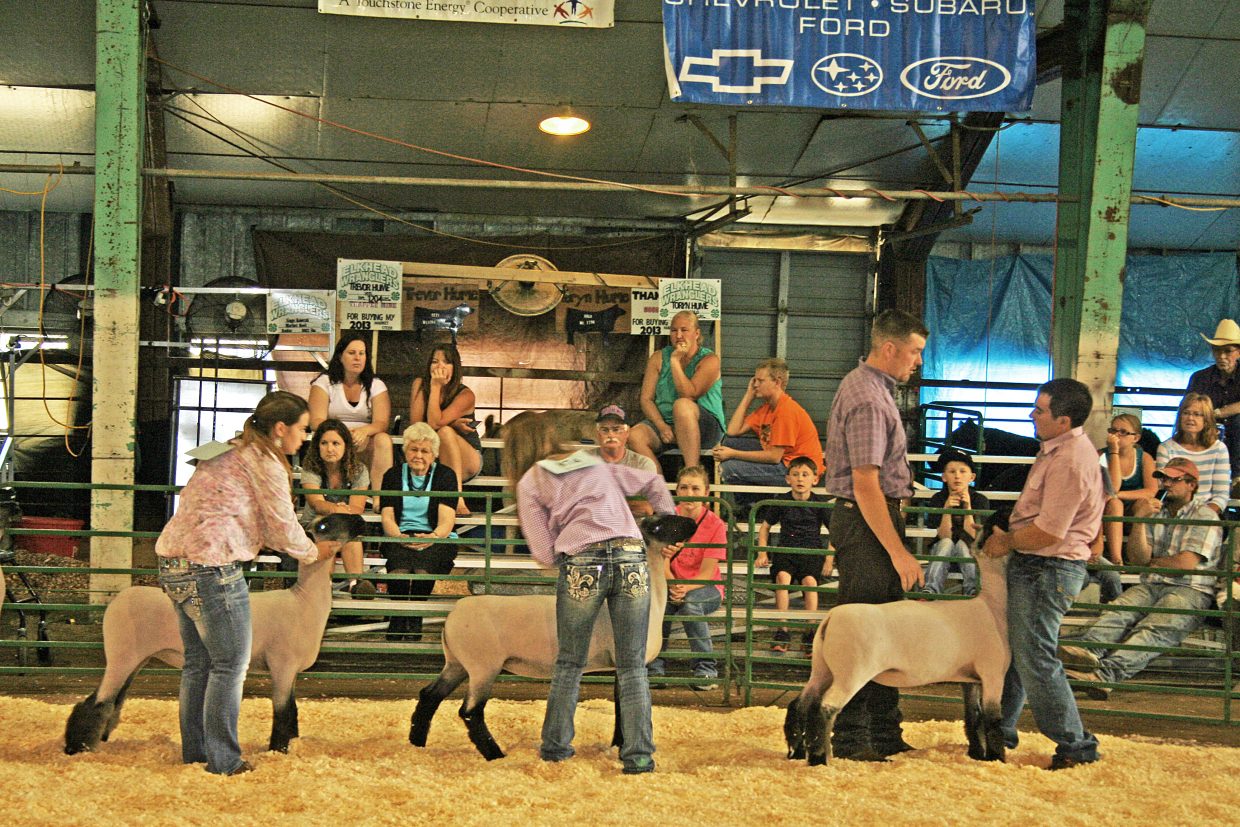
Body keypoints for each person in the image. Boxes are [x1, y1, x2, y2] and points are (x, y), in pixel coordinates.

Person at [156, 390, 342, 776]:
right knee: (229, 665)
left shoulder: (222, 446)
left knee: (198, 663)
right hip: (213, 566)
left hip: (172, 560)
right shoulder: (268, 463)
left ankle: (196, 752)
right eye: (303, 429)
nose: (305, 438)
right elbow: (283, 527)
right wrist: (312, 552)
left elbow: (196, 483)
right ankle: (224, 761)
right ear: (280, 429)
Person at [508, 412, 675, 775]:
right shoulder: (587, 459)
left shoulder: (529, 480)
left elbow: (542, 552)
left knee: (570, 663)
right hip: (632, 557)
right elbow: (653, 483)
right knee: (633, 666)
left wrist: (563, 548)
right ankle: (639, 757)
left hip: (583, 561)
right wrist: (668, 525)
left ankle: (555, 749)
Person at [982, 377, 1105, 771]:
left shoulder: (1070, 460)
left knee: (1035, 657)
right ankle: (998, 732)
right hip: (1042, 565)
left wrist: (1006, 541)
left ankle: (1075, 743)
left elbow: (1050, 531)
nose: (1032, 416)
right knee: (1024, 653)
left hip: (1047, 565)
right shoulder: (1060, 450)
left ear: (1063, 420)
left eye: (1040, 410)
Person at [821, 309, 926, 761]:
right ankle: (851, 738)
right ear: (889, 348)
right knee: (866, 634)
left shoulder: (869, 389)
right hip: (868, 522)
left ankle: (883, 732)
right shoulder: (867, 397)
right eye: (915, 351)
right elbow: (866, 483)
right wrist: (900, 552)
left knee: (886, 633)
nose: (917, 361)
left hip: (871, 520)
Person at [1059, 457, 1223, 700]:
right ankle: (1085, 654)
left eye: (1173, 479)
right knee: (1120, 611)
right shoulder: (1155, 511)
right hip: (1155, 582)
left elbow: (1184, 564)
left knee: (1154, 629)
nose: (1166, 484)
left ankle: (1103, 674)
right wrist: (1140, 520)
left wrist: (1153, 562)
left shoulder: (1205, 516)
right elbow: (1137, 558)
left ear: (1191, 484)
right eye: (1163, 478)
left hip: (1192, 590)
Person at [647, 465, 727, 689]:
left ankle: (705, 668)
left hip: (706, 586)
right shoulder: (666, 519)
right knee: (659, 604)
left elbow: (708, 572)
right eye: (684, 487)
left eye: (695, 488)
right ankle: (654, 666)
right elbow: (658, 560)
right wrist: (673, 583)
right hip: (670, 581)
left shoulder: (715, 525)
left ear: (706, 492)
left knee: (692, 605)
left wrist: (685, 588)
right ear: (677, 490)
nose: (690, 494)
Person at [711, 358, 824, 515]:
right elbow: (732, 431)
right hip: (782, 460)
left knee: (728, 468)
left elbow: (774, 457)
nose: (755, 384)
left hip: (795, 469)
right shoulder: (767, 409)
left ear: (777, 382)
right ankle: (758, 505)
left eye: (760, 381)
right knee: (730, 442)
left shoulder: (786, 411)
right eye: (754, 380)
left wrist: (733, 454)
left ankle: (755, 510)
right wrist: (748, 395)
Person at [379, 422, 458, 640]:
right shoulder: (393, 475)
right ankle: (397, 616)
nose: (419, 455)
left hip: (436, 536)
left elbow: (446, 520)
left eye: (425, 451)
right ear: (405, 451)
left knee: (423, 568)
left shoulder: (445, 476)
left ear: (434, 455)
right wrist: (398, 537)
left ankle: (415, 616)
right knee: (400, 568)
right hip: (399, 533)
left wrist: (432, 538)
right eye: (414, 449)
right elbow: (387, 516)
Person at [629, 311, 726, 473]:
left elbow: (689, 394)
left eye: (684, 330)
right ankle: (658, 488)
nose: (679, 335)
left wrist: (675, 361)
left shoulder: (709, 359)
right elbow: (646, 399)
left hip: (703, 427)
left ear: (696, 333)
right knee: (634, 435)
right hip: (666, 425)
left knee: (682, 405)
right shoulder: (658, 357)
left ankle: (691, 474)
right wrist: (661, 425)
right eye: (674, 330)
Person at [755, 456, 831, 653]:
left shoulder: (820, 503)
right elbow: (764, 528)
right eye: (795, 474)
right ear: (788, 479)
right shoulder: (781, 501)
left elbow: (835, 534)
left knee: (810, 583)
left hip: (811, 551)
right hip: (786, 549)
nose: (800, 479)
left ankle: (810, 631)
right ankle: (782, 630)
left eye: (805, 475)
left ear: (815, 479)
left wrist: (829, 559)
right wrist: (762, 552)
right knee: (782, 578)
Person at [308, 332, 394, 506]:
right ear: (340, 356)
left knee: (383, 439)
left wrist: (365, 431)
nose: (357, 358)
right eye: (352, 353)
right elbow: (316, 420)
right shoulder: (324, 382)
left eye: (362, 354)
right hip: (332, 439)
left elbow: (382, 422)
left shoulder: (376, 385)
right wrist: (342, 434)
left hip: (363, 440)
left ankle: (379, 498)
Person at [300, 418, 374, 597]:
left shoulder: (359, 470)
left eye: (335, 443)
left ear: (346, 446)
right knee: (335, 526)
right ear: (317, 446)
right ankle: (326, 584)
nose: (330, 449)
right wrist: (338, 509)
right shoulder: (310, 467)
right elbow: (316, 503)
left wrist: (336, 511)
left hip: (345, 521)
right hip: (314, 524)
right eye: (324, 443)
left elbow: (357, 507)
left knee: (345, 527)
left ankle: (355, 583)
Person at [409, 343, 482, 516]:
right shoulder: (420, 384)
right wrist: (452, 422)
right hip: (433, 457)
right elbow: (417, 426)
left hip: (467, 458)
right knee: (442, 431)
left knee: (445, 432)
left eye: (446, 362)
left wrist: (436, 387)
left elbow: (435, 423)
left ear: (455, 367)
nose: (440, 367)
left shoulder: (466, 394)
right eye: (435, 362)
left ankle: (457, 498)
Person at [1098, 413, 1157, 601]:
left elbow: (1151, 490)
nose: (1117, 436)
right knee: (1115, 504)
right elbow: (1112, 487)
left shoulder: (1144, 457)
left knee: (1144, 504)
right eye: (1113, 431)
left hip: (1131, 502)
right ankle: (1117, 558)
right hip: (1107, 505)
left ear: (1136, 438)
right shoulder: (1102, 456)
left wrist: (1120, 495)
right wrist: (1113, 452)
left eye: (1123, 432)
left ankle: (1140, 556)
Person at [922, 449, 990, 597]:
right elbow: (943, 535)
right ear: (944, 477)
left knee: (963, 544)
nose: (957, 476)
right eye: (952, 471)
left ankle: (972, 590)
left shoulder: (980, 500)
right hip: (943, 549)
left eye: (962, 471)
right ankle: (931, 590)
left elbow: (973, 536)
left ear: (971, 477)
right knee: (947, 543)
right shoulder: (938, 499)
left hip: (969, 551)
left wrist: (967, 510)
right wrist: (946, 509)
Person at [1157, 393, 1232, 515]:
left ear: (1206, 420)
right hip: (1172, 511)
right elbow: (1163, 487)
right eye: (1186, 413)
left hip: (1206, 513)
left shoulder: (1219, 449)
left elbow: (1221, 495)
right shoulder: (1165, 448)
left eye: (1197, 414)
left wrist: (1202, 516)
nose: (1190, 418)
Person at [1186, 319, 1240, 482]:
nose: (1222, 356)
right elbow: (1189, 407)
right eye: (1217, 351)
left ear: (1238, 352)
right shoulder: (1200, 378)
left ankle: (1238, 478)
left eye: (1228, 351)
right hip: (1207, 431)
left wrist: (1217, 413)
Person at [585, 404, 656, 517]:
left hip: (632, 529)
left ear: (627, 433)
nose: (611, 435)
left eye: (616, 429)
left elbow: (646, 508)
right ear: (598, 434)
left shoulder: (643, 464)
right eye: (605, 430)